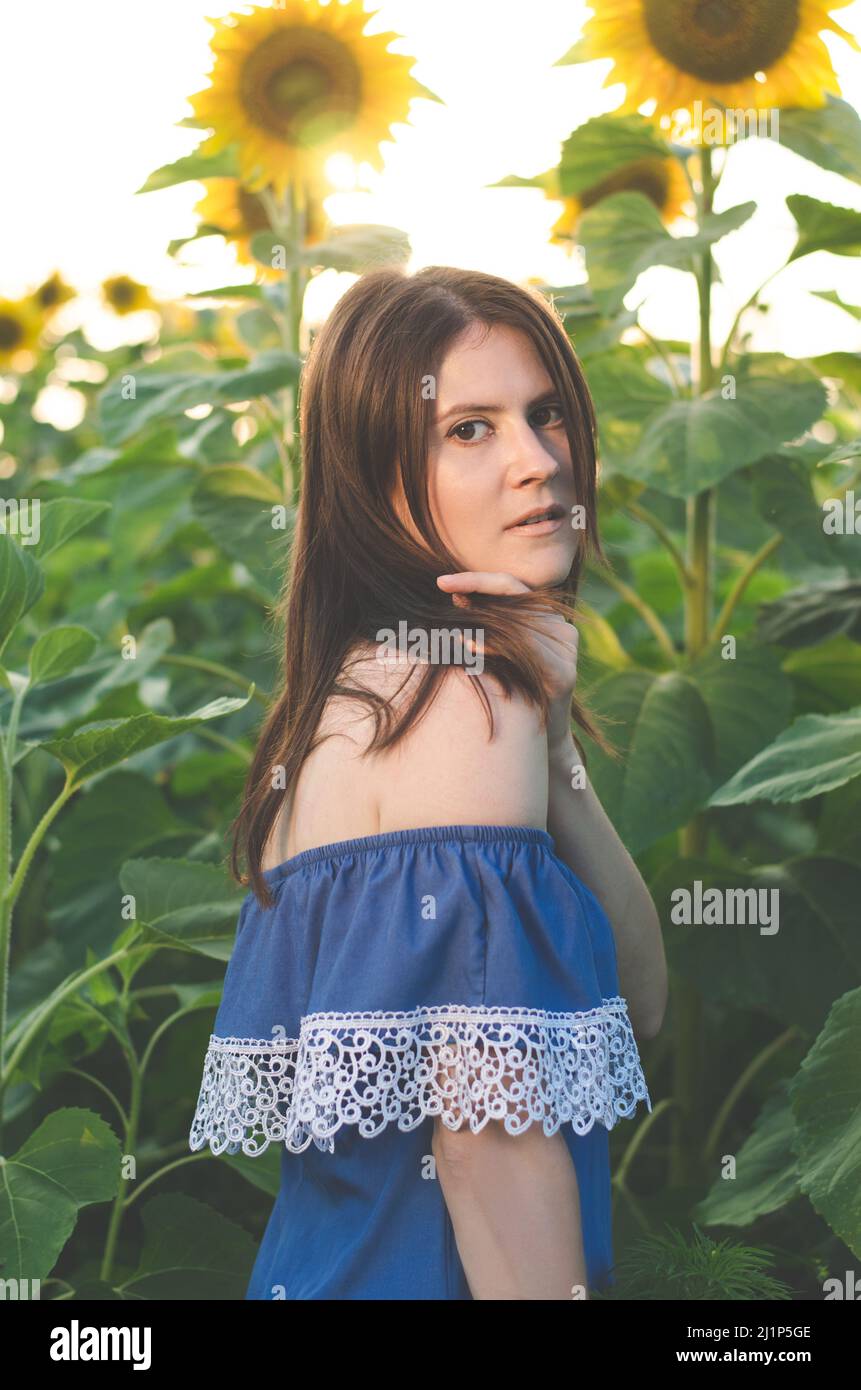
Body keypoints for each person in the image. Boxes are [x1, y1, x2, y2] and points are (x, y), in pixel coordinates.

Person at [188, 264, 667, 1300]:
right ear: (376, 477)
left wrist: (559, 759)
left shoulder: (353, 700)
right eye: (470, 429)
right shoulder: (463, 702)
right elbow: (485, 1145)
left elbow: (639, 1005)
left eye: (546, 415)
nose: (540, 462)